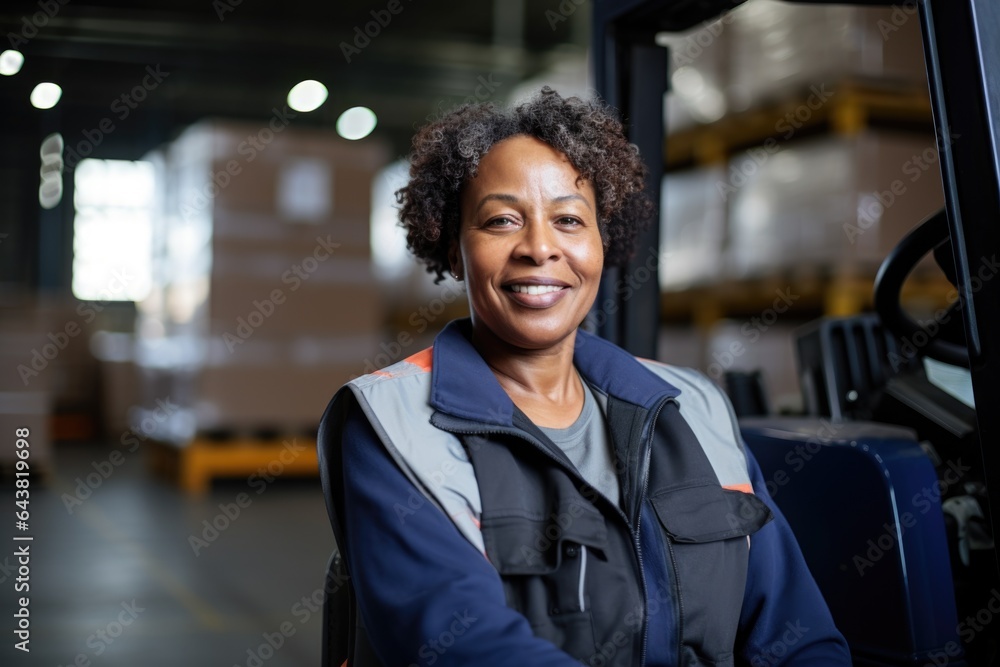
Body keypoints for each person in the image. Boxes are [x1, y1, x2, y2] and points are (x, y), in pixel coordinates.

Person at [317, 87, 852, 666]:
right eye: (501, 221)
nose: (540, 247)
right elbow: (464, 645)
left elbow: (796, 634)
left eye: (569, 220)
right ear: (453, 250)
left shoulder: (693, 409)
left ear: (602, 241)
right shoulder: (389, 426)